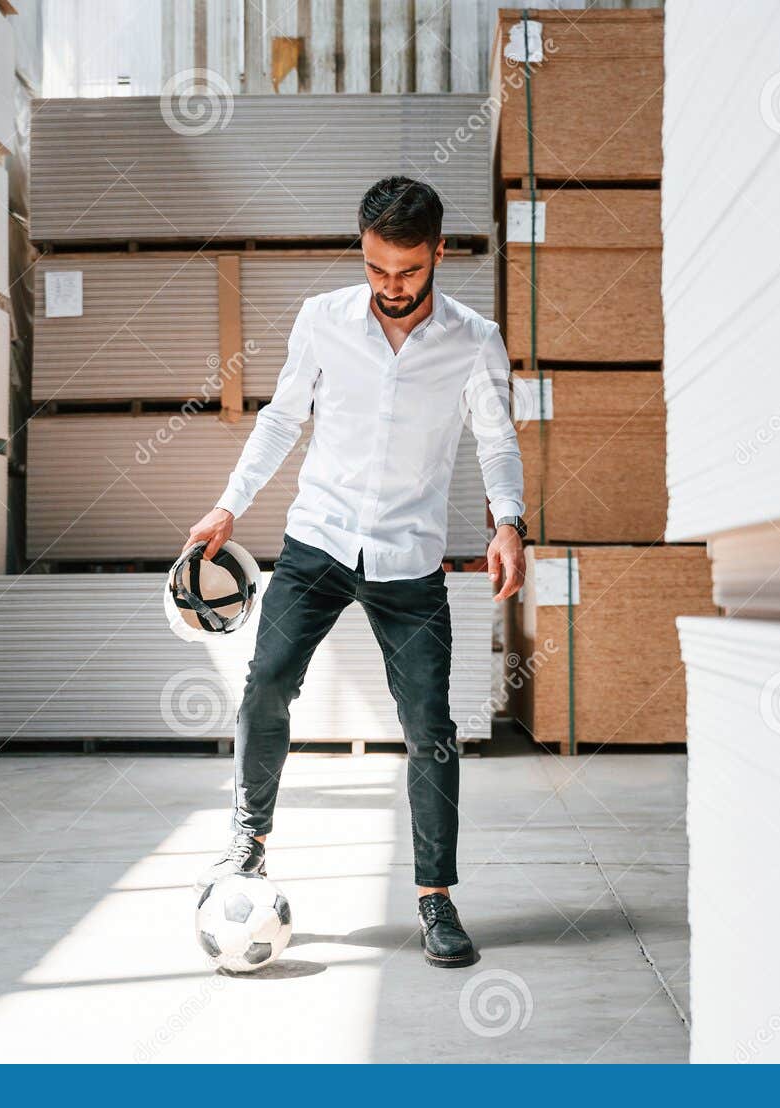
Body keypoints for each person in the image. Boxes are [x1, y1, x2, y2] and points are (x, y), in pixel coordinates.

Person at [186, 176, 527, 968]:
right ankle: (248, 842)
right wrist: (228, 506)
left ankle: (435, 898)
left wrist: (508, 521)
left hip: (410, 561)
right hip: (318, 544)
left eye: (408, 271)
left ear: (439, 253)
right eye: (377, 269)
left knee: (430, 729)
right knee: (267, 680)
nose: (392, 287)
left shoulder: (474, 339)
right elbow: (280, 419)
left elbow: (496, 439)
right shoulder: (323, 320)